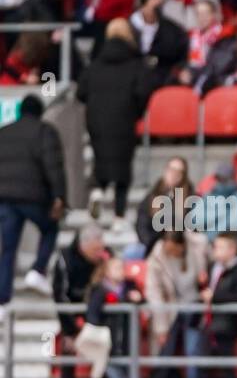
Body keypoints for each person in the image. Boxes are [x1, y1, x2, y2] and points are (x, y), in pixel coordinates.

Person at [76, 20, 150, 224]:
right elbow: (143, 92)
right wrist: (136, 110)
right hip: (125, 119)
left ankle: (98, 191)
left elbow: (80, 92)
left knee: (101, 161)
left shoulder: (95, 64)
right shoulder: (136, 65)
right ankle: (119, 215)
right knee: (123, 168)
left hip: (96, 120)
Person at [0, 95, 66, 309]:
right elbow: (53, 167)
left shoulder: (4, 132)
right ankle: (37, 270)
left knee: (8, 248)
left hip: (5, 199)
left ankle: (3, 300)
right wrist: (59, 196)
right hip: (33, 198)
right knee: (50, 229)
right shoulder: (44, 131)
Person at [145, 227, 209, 378]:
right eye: (168, 248)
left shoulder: (199, 245)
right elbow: (153, 292)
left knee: (193, 350)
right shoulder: (157, 256)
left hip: (195, 305)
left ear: (182, 246)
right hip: (169, 308)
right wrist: (161, 328)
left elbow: (214, 268)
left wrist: (207, 284)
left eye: (174, 249)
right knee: (165, 349)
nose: (170, 252)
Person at [50, 226, 107, 378]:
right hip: (71, 316)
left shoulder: (105, 257)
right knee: (67, 349)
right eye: (95, 249)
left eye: (101, 248)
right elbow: (60, 295)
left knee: (103, 349)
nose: (99, 253)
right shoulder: (65, 259)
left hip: (98, 317)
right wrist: (72, 327)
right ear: (84, 246)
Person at [202, 231, 237, 378]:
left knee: (226, 359)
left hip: (227, 323)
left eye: (220, 247)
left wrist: (214, 297)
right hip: (208, 320)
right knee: (205, 359)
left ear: (233, 250)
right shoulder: (212, 267)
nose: (216, 250)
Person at [136, 156, 192, 257]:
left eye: (179, 172)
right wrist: (151, 242)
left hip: (179, 245)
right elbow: (142, 225)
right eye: (171, 169)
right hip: (153, 243)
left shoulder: (189, 197)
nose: (173, 174)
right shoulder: (152, 196)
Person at [177, 0, 222, 87]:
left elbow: (219, 65)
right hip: (194, 75)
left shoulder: (223, 36)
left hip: (213, 79)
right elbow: (187, 60)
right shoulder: (192, 36)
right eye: (198, 14)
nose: (202, 18)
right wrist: (186, 71)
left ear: (214, 15)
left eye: (206, 14)